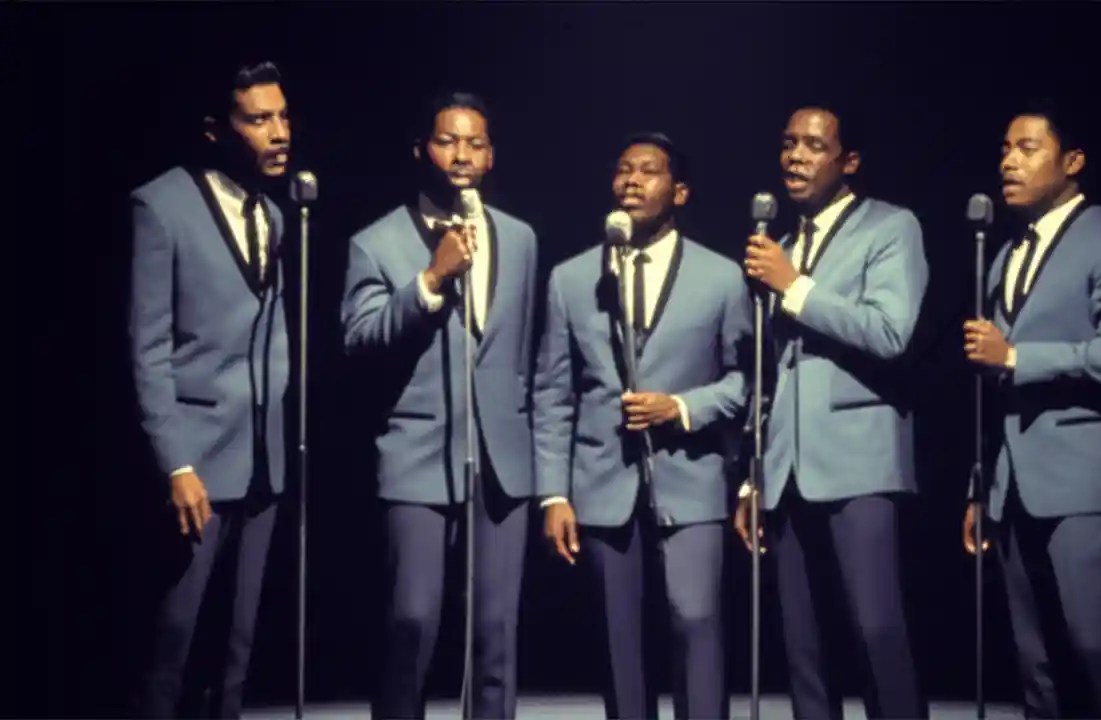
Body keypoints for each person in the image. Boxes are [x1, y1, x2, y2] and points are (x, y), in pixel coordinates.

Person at [535, 132, 751, 720]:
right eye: (623, 170)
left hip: (692, 478)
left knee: (696, 623)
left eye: (648, 171)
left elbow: (746, 382)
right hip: (602, 482)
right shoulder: (571, 278)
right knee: (617, 642)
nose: (632, 181)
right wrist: (554, 492)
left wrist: (680, 407)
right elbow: (554, 392)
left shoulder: (721, 276)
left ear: (679, 191)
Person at [341, 92, 538, 719]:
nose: (462, 155)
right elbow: (359, 337)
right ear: (422, 150)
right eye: (448, 141)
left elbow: (523, 350)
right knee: (412, 621)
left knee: (496, 632)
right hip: (418, 457)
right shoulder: (375, 242)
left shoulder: (521, 239)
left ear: (491, 156)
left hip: (502, 461)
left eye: (475, 143)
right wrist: (430, 280)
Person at [962, 99, 1101, 718]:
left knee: (1098, 648)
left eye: (1027, 149)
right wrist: (980, 487)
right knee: (1034, 662)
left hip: (1082, 480)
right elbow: (993, 387)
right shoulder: (1004, 254)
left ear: (1072, 161)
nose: (1008, 162)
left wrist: (1018, 356)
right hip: (1012, 487)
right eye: (1004, 149)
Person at [738, 103, 929, 719]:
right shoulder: (783, 244)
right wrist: (754, 473)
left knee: (877, 635)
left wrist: (795, 287)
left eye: (814, 146)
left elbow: (891, 331)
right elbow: (769, 369)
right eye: (788, 143)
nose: (795, 156)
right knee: (803, 649)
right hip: (787, 471)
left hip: (859, 463)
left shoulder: (890, 227)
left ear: (849, 161)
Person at [129, 60, 292, 718]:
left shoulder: (276, 214)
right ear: (216, 130)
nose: (279, 132)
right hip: (195, 463)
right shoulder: (161, 206)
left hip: (262, 460)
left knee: (237, 644)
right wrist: (176, 463)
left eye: (283, 115)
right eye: (259, 120)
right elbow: (148, 349)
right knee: (172, 640)